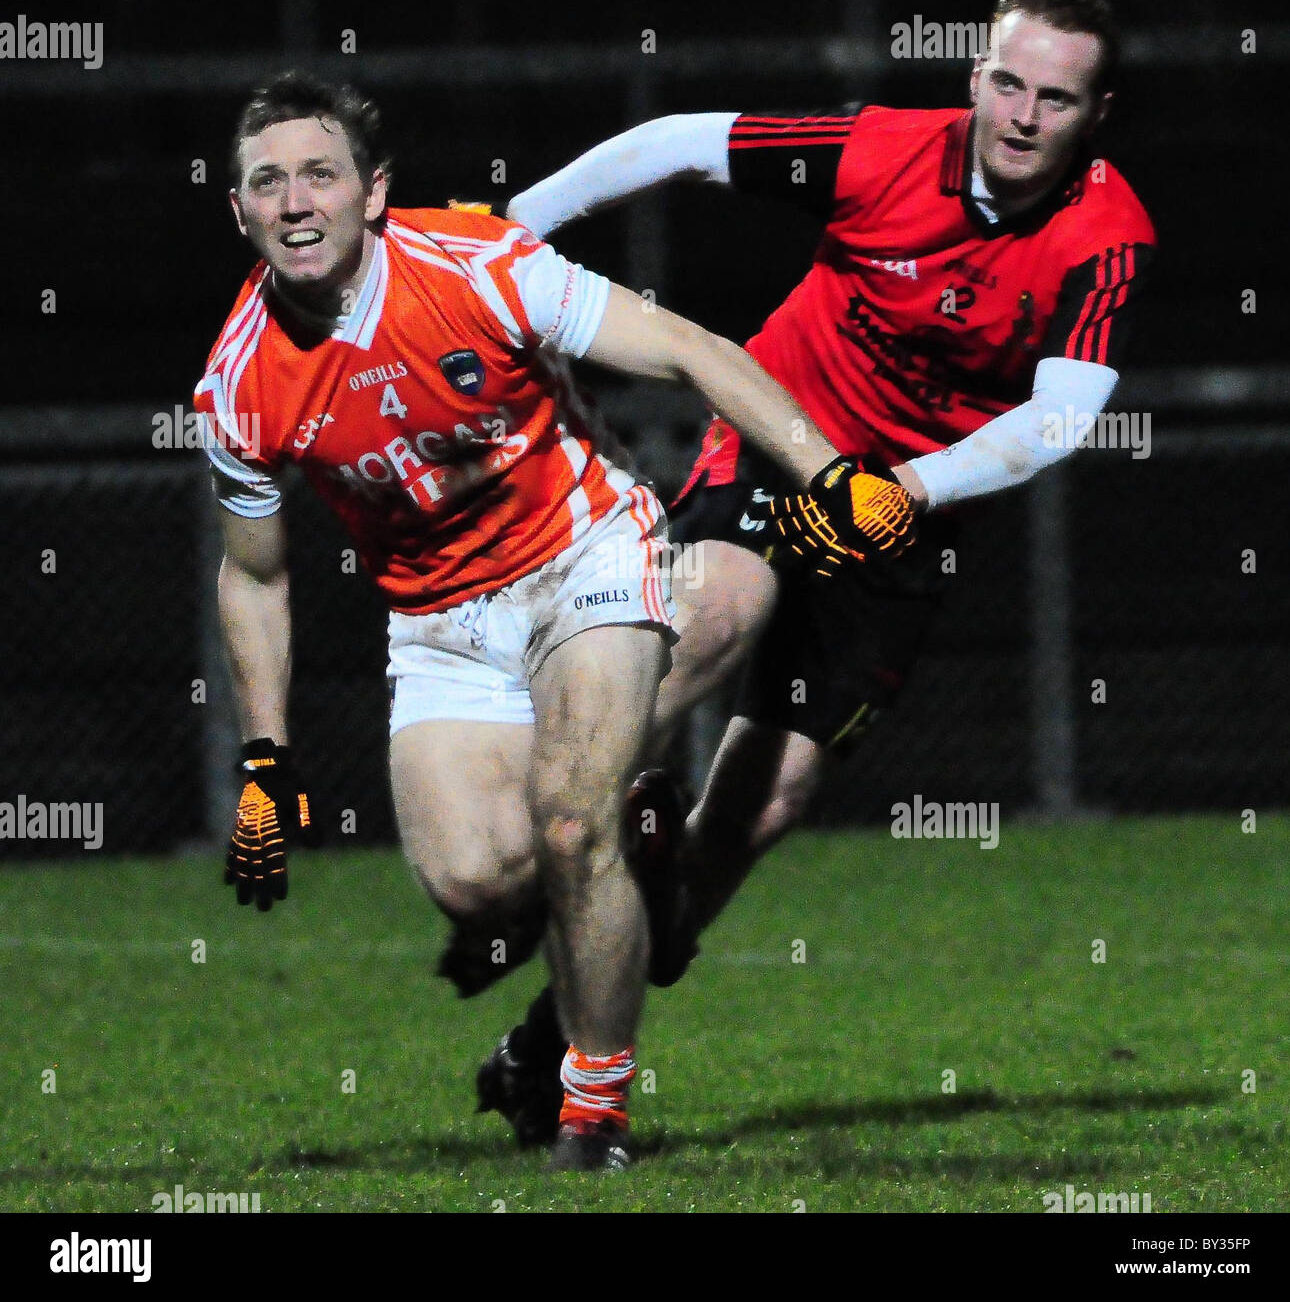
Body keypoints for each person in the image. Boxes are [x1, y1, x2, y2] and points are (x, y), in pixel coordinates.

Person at [478, 0, 1157, 1145]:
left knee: (754, 817)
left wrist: (899, 492)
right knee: (719, 609)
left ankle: (542, 1050)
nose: (1024, 113)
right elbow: (670, 145)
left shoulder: (1109, 236)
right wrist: (501, 236)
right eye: (1007, 81)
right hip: (778, 446)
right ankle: (537, 821)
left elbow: (1057, 420)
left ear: (1096, 113)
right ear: (973, 76)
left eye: (1057, 95)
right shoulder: (879, 153)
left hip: (906, 522)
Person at [194, 71, 903, 1170]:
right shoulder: (240, 383)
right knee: (474, 884)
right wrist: (264, 761)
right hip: (438, 624)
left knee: (572, 816)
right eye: (267, 181)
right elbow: (255, 577)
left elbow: (687, 347)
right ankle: (642, 838)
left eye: (319, 173)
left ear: (373, 193)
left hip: (587, 558)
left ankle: (591, 1111)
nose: (295, 201)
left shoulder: (478, 265)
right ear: (238, 209)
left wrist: (831, 475)